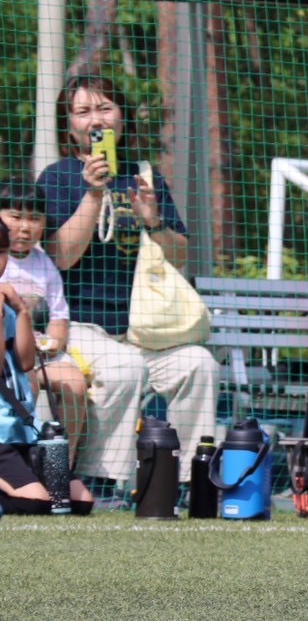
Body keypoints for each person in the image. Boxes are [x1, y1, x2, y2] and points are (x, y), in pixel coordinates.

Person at [38, 73, 218, 490]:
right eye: (83, 111)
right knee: (123, 368)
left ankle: (191, 481)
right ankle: (102, 481)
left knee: (199, 364)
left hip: (146, 330)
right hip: (82, 328)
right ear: (69, 126)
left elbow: (178, 256)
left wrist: (153, 220)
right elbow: (59, 257)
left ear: (122, 118)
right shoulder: (57, 177)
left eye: (105, 108)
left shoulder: (144, 176)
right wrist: (93, 194)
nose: (95, 119)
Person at [0, 247, 94, 515]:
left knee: (79, 502)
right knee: (37, 502)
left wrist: (21, 313)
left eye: (1, 251)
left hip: (21, 428)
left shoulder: (7, 304)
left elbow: (26, 362)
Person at [0, 180, 88, 465]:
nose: (25, 227)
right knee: (27, 384)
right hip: (10, 359)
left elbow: (59, 314)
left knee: (75, 383)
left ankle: (63, 465)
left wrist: (54, 343)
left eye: (34, 218)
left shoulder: (43, 263)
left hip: (41, 354)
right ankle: (22, 458)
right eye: (15, 216)